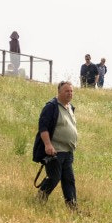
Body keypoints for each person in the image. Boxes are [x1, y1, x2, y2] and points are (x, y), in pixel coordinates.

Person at [33, 81, 79, 209]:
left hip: (68, 152)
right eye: (66, 91)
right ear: (59, 92)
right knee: (54, 177)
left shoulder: (70, 107)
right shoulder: (51, 106)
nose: (70, 93)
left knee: (69, 180)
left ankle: (72, 208)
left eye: (71, 91)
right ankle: (39, 201)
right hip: (55, 151)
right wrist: (48, 145)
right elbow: (43, 127)